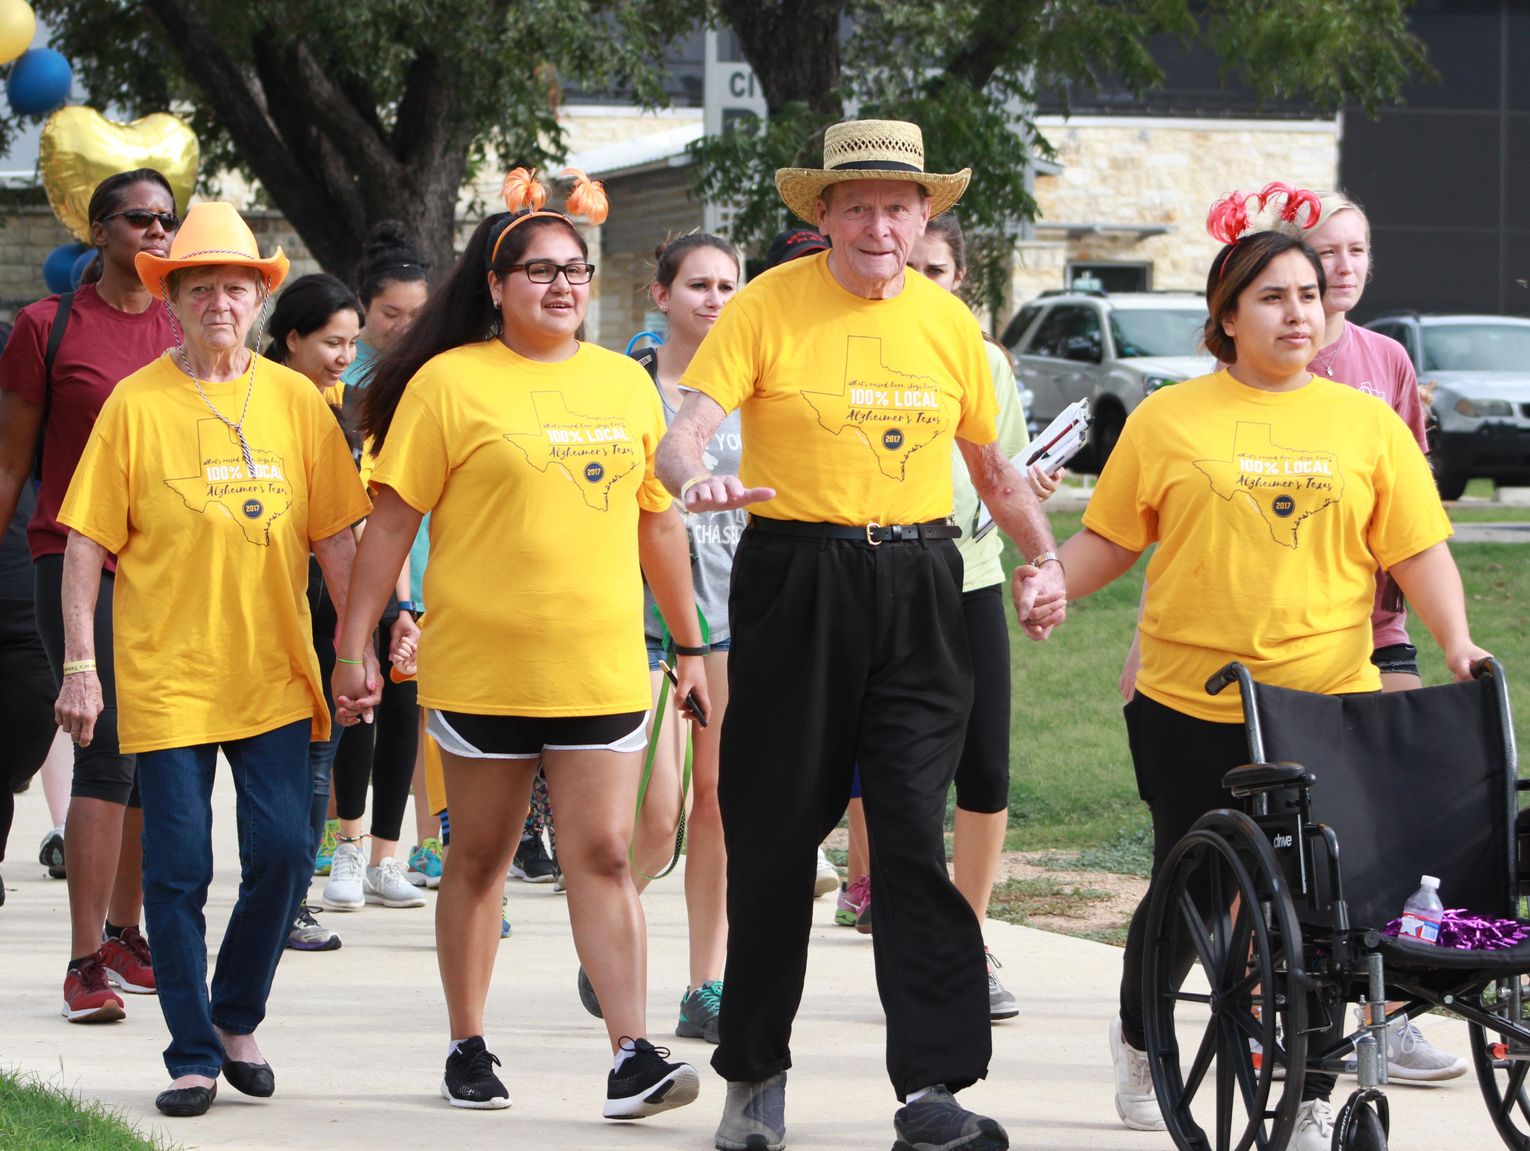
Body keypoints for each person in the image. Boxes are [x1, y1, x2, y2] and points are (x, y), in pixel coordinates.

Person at [656, 118, 1066, 1151]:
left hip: (924, 582)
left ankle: (931, 1086)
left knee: (911, 835)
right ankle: (753, 1076)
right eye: (858, 204)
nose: (879, 223)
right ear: (824, 215)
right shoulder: (768, 306)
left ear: (926, 213)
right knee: (778, 832)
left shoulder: (948, 328)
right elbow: (685, 430)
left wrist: (1041, 557)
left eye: (899, 204)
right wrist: (691, 477)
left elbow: (991, 466)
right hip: (799, 579)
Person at [1052, 189, 1490, 1151]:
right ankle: (1140, 1035)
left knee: (1320, 904)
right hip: (1188, 698)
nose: (1299, 311)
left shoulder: (1365, 422)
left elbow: (1418, 549)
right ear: (1226, 316)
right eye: (1272, 298)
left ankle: (1313, 1087)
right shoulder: (1170, 417)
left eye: (1307, 294)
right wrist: (1053, 584)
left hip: (1322, 699)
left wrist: (1453, 639)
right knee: (1196, 887)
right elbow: (1111, 540)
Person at [334, 167, 707, 1118]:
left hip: (600, 662)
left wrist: (694, 647)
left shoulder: (627, 384)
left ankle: (632, 1052)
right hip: (485, 666)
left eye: (574, 269)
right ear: (496, 287)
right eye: (538, 271)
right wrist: (355, 642)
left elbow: (657, 524)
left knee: (606, 854)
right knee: (480, 858)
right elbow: (388, 523)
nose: (561, 285)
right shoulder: (449, 384)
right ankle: (467, 1041)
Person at [52, 201, 373, 1117]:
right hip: (166, 672)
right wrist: (82, 662)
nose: (220, 302)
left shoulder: (296, 404)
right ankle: (193, 1049)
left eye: (236, 286)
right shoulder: (135, 402)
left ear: (260, 298)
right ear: (175, 300)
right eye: (201, 288)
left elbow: (338, 541)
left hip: (273, 668)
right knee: (179, 867)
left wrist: (355, 650)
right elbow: (84, 545)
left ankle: (236, 1010)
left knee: (280, 851)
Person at [0, 168, 180, 1023]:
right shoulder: (48, 325)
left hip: (170, 567)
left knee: (148, 754)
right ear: (100, 229)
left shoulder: (191, 329)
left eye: (167, 220)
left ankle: (124, 932)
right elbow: (11, 461)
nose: (156, 232)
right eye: (140, 219)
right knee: (106, 747)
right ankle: (82, 966)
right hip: (69, 556)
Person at [629, 231, 742, 1045]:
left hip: (739, 622)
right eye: (698, 284)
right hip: (647, 627)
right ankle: (615, 920)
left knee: (718, 805)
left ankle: (707, 981)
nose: (714, 298)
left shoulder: (757, 388)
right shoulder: (628, 390)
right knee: (658, 813)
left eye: (728, 285)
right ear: (660, 294)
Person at [320, 224, 428, 911]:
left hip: (424, 569)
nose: (404, 327)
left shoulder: (437, 380)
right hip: (359, 568)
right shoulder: (344, 388)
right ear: (364, 311)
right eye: (391, 315)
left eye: (418, 315)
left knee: (407, 707)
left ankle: (390, 856)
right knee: (358, 706)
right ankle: (348, 845)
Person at [264, 273, 366, 951]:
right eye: (332, 342)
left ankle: (287, 902)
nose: (343, 357)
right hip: (263, 613)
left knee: (315, 763)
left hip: (324, 614)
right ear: (292, 337)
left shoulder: (332, 412)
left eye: (352, 344)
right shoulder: (255, 405)